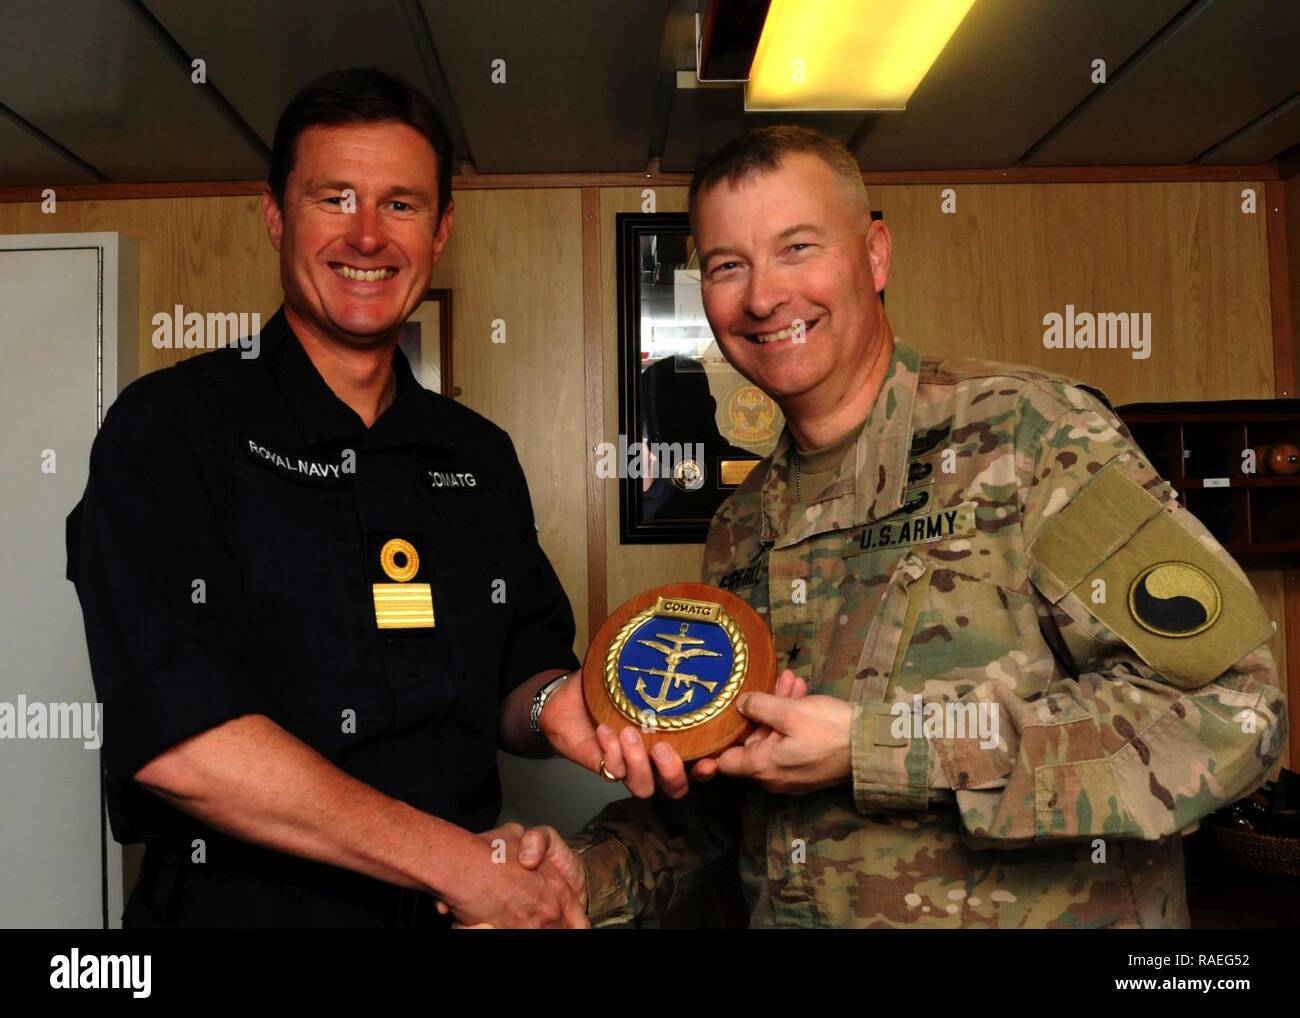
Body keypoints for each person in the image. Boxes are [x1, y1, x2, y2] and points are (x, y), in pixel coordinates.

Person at [570, 126, 1289, 928]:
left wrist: (879, 749)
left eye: (798, 247)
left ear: (875, 255)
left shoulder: (1030, 434)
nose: (764, 296)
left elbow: (1233, 711)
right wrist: (570, 884)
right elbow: (730, 790)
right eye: (728, 265)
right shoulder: (743, 523)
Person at [65, 68, 611, 928]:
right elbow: (183, 745)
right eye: (335, 198)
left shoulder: (477, 453)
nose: (367, 236)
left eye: (401, 205)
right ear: (276, 216)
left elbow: (520, 670)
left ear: (440, 233)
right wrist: (464, 865)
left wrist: (564, 707)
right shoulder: (169, 430)